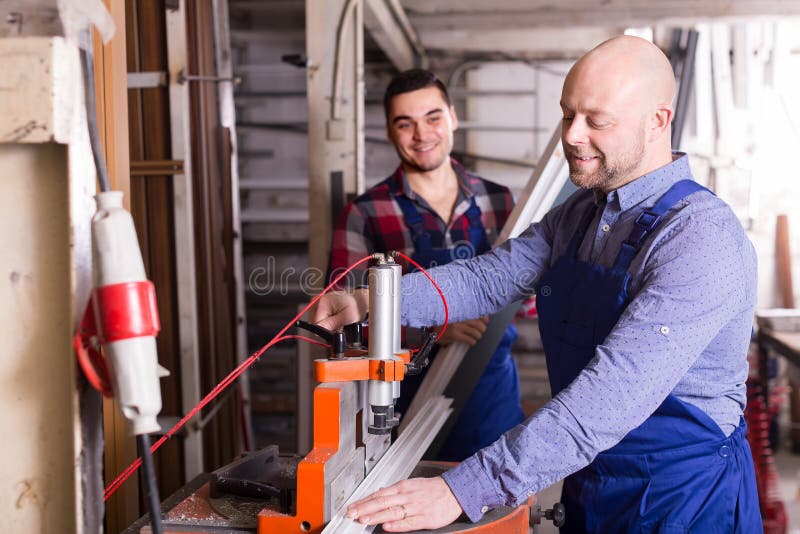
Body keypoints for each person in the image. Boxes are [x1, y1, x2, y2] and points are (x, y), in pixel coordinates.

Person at [313, 35, 761, 533]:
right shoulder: (580, 214)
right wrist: (373, 300)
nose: (572, 135)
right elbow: (489, 277)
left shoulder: (699, 238)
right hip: (590, 473)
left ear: (657, 121)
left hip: (683, 498)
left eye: (597, 120)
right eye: (567, 114)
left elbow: (607, 400)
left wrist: (462, 489)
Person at [326, 68, 525, 461]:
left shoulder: (499, 201)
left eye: (433, 118)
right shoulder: (366, 213)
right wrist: (428, 331)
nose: (422, 134)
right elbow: (340, 323)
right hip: (405, 407)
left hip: (492, 399)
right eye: (405, 124)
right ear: (390, 131)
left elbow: (530, 299)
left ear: (452, 117)